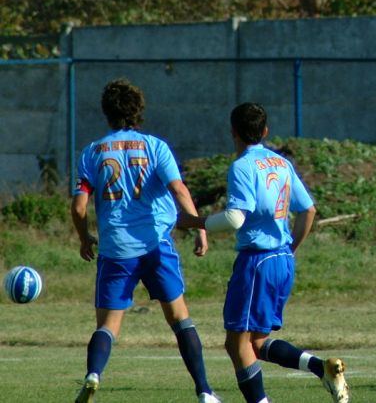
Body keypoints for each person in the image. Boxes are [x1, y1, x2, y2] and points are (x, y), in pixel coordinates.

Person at [176, 101, 349, 403]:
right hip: (281, 258)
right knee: (256, 342)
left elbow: (235, 218)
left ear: (233, 132)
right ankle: (321, 367)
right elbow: (308, 210)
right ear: (266, 131)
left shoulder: (242, 166)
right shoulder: (281, 163)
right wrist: (290, 249)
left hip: (256, 261)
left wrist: (194, 222)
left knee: (236, 344)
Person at [70, 78, 220, 403]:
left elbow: (79, 206)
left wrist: (84, 239)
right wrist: (200, 227)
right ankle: (205, 391)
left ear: (107, 113)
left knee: (107, 326)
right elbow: (179, 189)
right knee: (180, 318)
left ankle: (93, 374)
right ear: (139, 111)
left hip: (115, 250)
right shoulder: (155, 146)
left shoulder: (92, 152)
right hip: (156, 246)